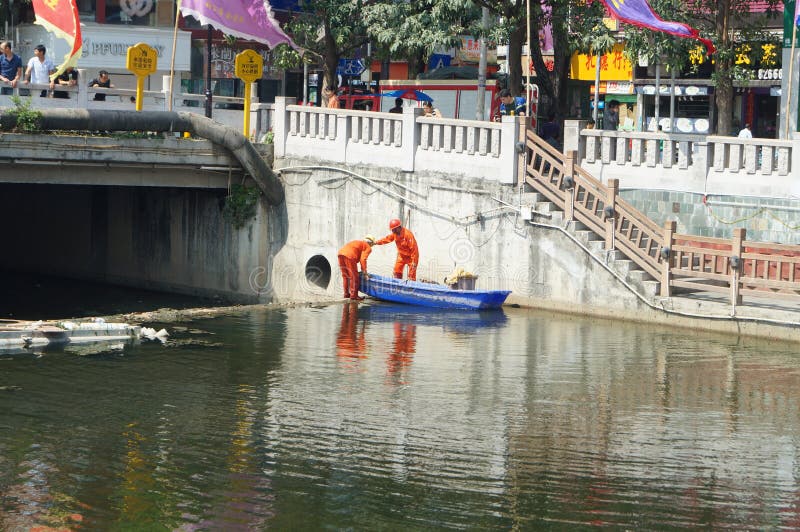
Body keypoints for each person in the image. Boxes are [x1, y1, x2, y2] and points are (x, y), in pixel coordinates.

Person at [337, 235, 376, 301]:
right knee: (354, 277)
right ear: (371, 243)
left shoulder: (358, 242)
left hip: (340, 254)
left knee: (345, 276)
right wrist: (365, 273)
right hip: (350, 256)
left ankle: (346, 294)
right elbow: (363, 259)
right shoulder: (367, 247)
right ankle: (354, 296)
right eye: (372, 244)